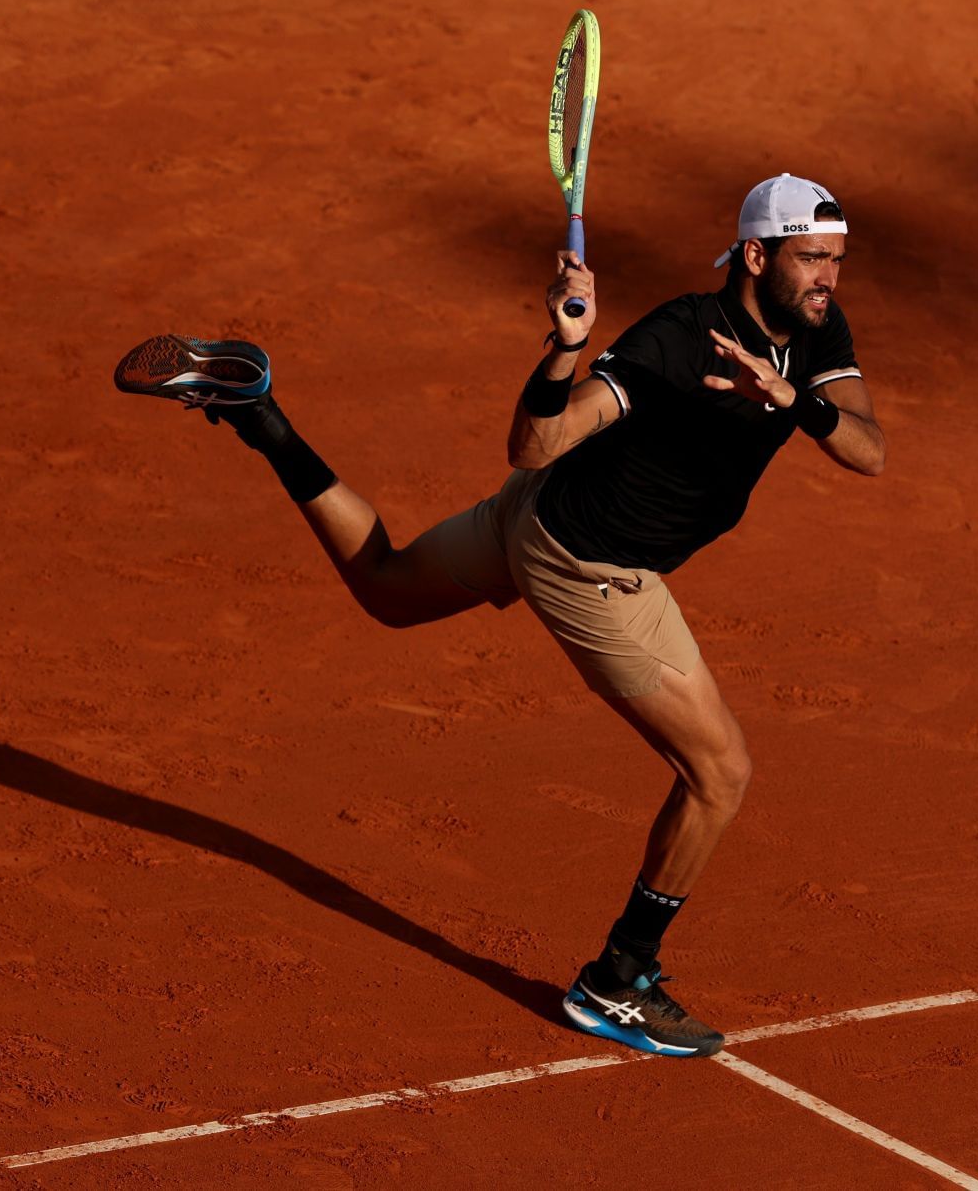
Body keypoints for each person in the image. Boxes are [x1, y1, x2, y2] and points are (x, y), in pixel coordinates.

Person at [114, 173, 885, 1057]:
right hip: (592, 568)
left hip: (536, 517)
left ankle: (260, 417)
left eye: (835, 260)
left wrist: (792, 398)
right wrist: (566, 348)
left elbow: (867, 450)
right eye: (811, 258)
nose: (828, 277)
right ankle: (618, 978)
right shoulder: (677, 340)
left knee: (387, 590)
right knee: (720, 774)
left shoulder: (816, 327)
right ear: (756, 255)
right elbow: (534, 443)